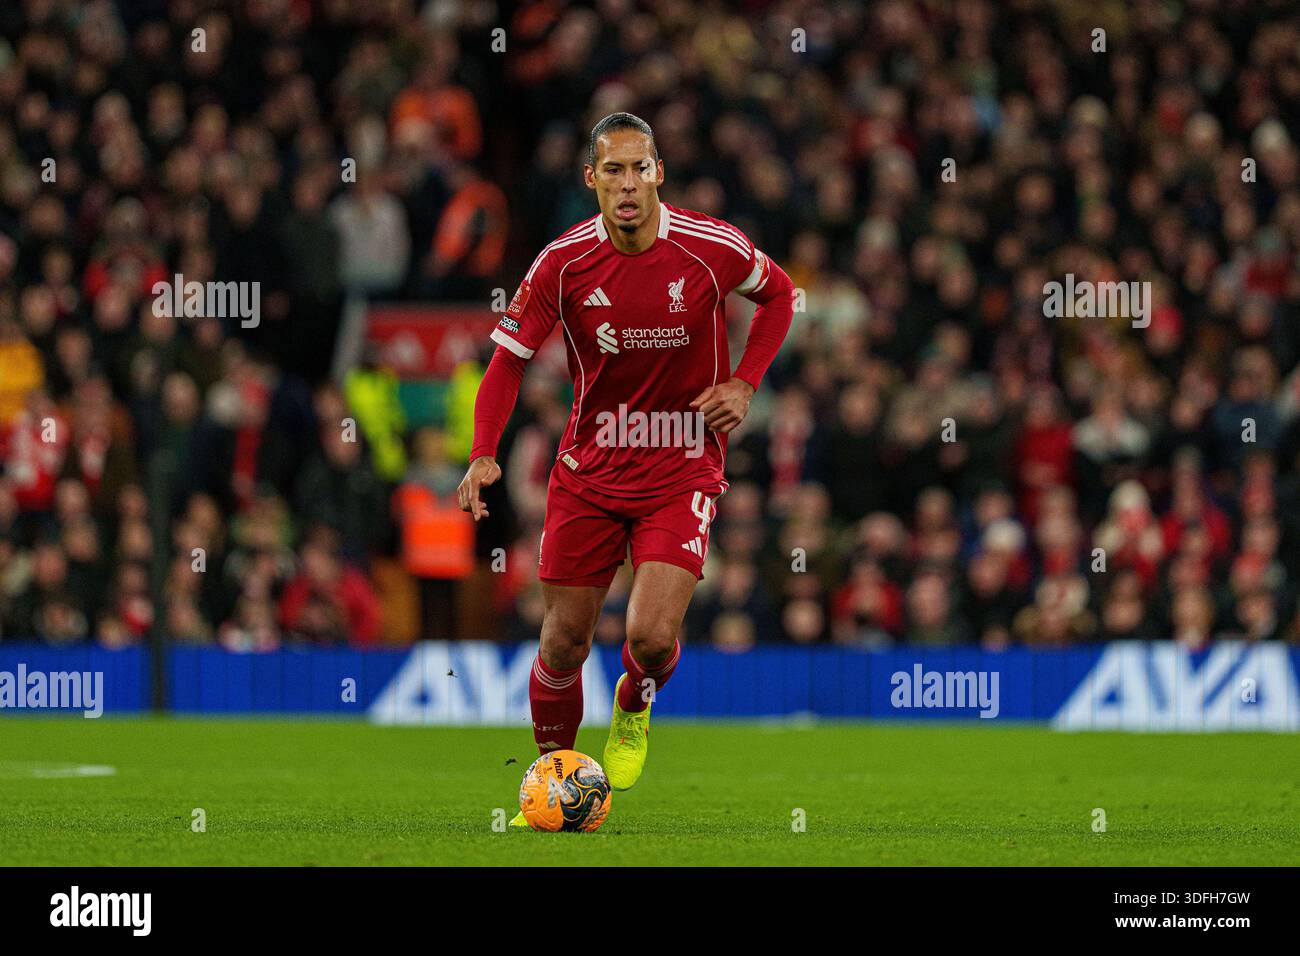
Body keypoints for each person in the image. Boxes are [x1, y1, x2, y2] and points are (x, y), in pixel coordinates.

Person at [458, 113, 794, 823]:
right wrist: (484, 451)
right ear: (592, 180)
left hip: (682, 466)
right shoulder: (562, 262)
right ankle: (552, 782)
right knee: (563, 638)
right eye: (614, 170)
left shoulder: (712, 248)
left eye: (641, 168)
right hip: (589, 469)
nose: (630, 183)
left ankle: (634, 703)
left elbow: (781, 295)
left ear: (660, 173)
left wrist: (745, 383)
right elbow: (507, 362)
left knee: (650, 636)